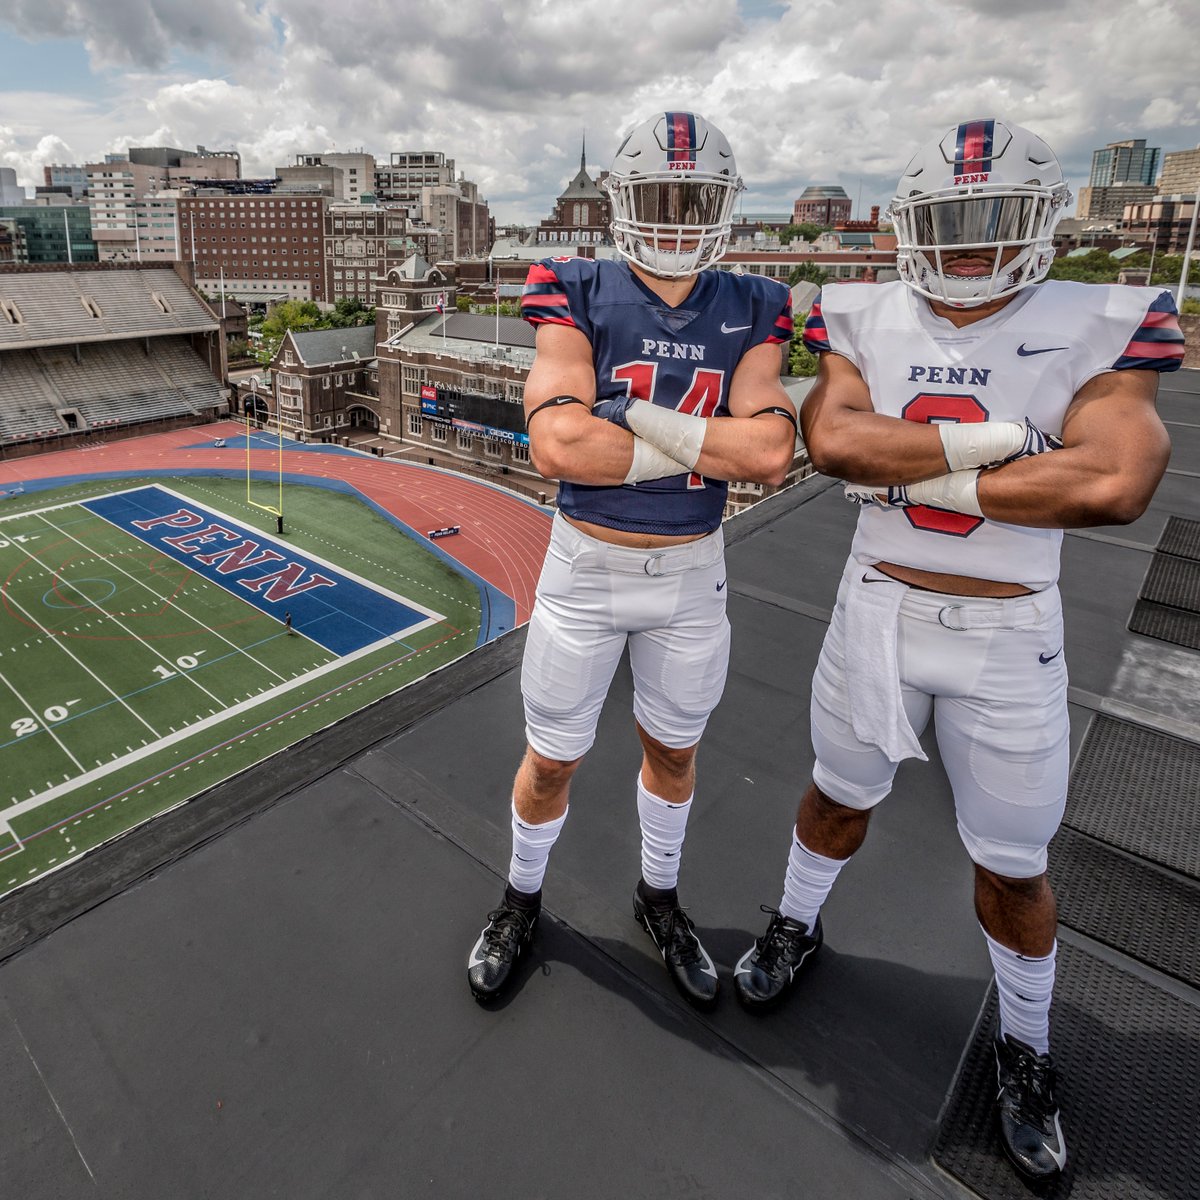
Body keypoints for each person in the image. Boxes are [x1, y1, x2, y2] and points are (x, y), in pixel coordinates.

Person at [733, 118, 1183, 1184]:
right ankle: (796, 927)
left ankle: (1026, 1044)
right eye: (951, 223)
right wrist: (1020, 449)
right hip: (876, 609)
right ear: (912, 226)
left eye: (995, 220)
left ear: (1040, 219)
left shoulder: (1104, 316)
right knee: (835, 796)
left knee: (1014, 866)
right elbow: (835, 441)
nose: (971, 247)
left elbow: (1113, 481)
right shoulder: (860, 311)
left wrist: (916, 470)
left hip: (1008, 628)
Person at [467, 111, 798, 1010]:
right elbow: (562, 446)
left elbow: (770, 453)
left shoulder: (755, 300)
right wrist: (706, 442)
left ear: (727, 203)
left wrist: (632, 416)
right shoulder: (572, 284)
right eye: (660, 195)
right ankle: (520, 896)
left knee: (676, 751)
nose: (680, 216)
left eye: (698, 198)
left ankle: (659, 899)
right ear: (621, 200)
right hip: (585, 571)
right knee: (552, 758)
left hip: (692, 575)